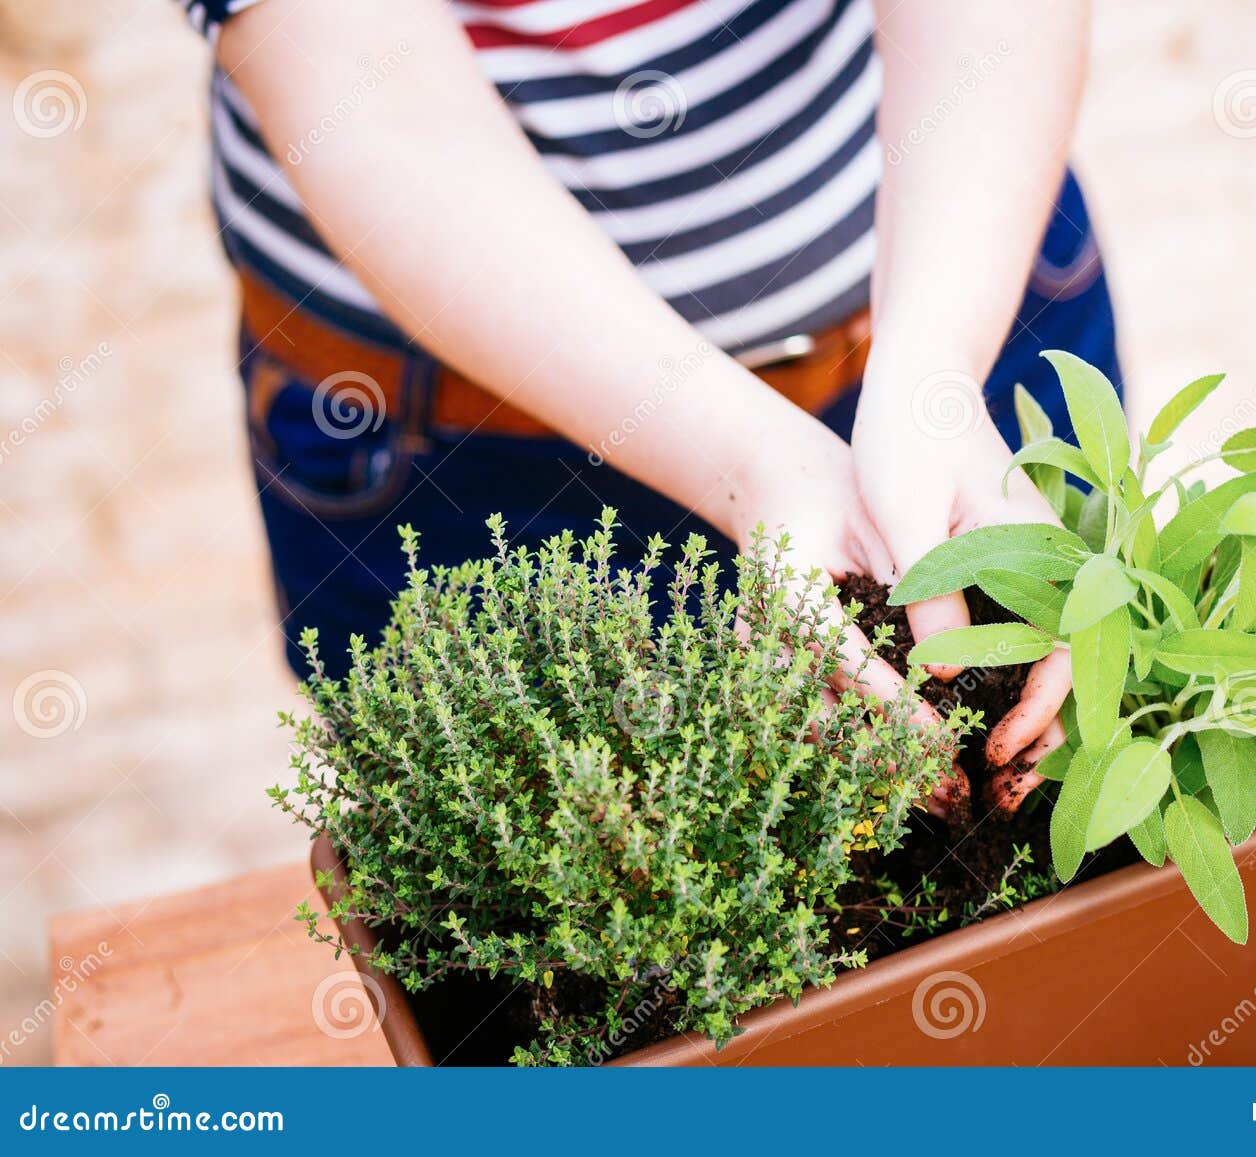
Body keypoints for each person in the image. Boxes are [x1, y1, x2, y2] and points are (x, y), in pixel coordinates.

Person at [178, 0, 1121, 810]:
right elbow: (356, 78)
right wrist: (748, 458)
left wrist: (937, 371)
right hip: (472, 468)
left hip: (961, 282)